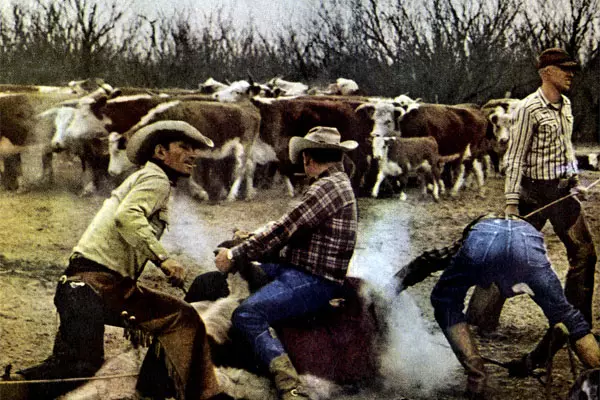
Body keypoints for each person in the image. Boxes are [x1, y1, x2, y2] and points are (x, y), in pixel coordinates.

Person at [11, 121, 226, 400]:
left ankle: (13, 386)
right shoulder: (156, 179)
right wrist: (165, 260)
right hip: (96, 285)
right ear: (160, 152)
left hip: (79, 286)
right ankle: (197, 395)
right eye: (184, 147)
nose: (193, 155)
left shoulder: (146, 178)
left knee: (72, 367)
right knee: (182, 317)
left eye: (194, 149)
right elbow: (127, 217)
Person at [214, 126, 358, 400]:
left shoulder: (326, 187)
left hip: (314, 279)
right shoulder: (337, 183)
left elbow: (285, 228)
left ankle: (290, 387)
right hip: (306, 269)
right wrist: (251, 241)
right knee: (251, 270)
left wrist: (235, 254)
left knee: (247, 314)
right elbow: (293, 226)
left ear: (308, 158)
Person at [499, 47, 598, 375]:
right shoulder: (528, 108)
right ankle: (479, 317)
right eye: (563, 69)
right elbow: (513, 157)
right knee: (507, 258)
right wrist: (512, 202)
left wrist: (574, 179)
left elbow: (565, 149)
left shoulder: (566, 105)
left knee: (585, 255)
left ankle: (577, 327)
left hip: (560, 192)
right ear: (545, 73)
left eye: (572, 69)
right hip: (531, 194)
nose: (570, 74)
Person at [429, 214, 600, 400]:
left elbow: (429, 260)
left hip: (483, 246)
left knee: (444, 300)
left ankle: (476, 375)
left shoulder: (474, 234)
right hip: (527, 247)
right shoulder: (522, 225)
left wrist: (399, 280)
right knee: (567, 315)